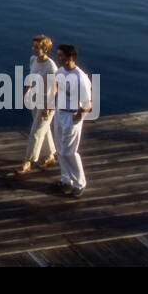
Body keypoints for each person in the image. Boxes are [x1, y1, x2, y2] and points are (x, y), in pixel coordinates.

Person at [51, 44, 93, 197]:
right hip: (59, 112)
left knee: (69, 151)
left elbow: (88, 103)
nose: (58, 57)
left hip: (72, 115)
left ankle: (79, 183)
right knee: (59, 148)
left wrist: (79, 114)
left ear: (70, 57)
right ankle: (65, 179)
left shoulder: (80, 78)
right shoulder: (60, 72)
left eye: (61, 55)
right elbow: (56, 87)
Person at [15, 35, 58, 175]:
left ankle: (28, 161)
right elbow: (30, 77)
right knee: (42, 129)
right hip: (35, 99)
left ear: (45, 49)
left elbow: (54, 90)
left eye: (37, 47)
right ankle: (50, 155)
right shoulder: (33, 60)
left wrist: (48, 108)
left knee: (35, 133)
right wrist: (26, 92)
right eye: (33, 46)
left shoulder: (51, 67)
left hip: (46, 102)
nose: (34, 49)